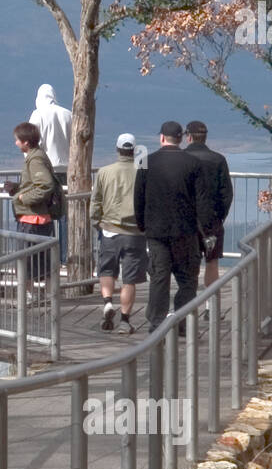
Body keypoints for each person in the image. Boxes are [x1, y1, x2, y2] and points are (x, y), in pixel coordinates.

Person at [133, 120, 210, 334]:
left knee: (159, 275)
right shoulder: (193, 163)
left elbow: (138, 197)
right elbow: (202, 201)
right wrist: (205, 229)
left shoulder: (146, 162)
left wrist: (142, 224)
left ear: (161, 138)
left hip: (156, 231)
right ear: (182, 138)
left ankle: (157, 322)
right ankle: (183, 322)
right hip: (185, 231)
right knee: (186, 278)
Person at [90, 133, 149, 334]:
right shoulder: (142, 172)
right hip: (135, 233)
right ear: (134, 150)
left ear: (117, 149)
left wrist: (96, 221)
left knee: (107, 270)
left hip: (109, 230)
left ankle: (107, 302)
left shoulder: (104, 172)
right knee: (130, 278)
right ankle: (125, 321)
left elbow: (96, 200)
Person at [2, 122, 60, 290]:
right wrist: (18, 187)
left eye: (17, 140)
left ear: (26, 142)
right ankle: (49, 296)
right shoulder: (38, 156)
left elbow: (45, 184)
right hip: (41, 218)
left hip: (32, 219)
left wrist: (23, 197)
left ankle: (28, 295)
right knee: (45, 263)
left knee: (26, 262)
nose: (16, 143)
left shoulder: (35, 159)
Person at [184, 120, 233, 294]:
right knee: (212, 262)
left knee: (189, 264)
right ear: (205, 137)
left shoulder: (181, 159)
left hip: (186, 221)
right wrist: (220, 216)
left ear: (188, 137)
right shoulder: (218, 159)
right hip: (212, 220)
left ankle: (189, 305)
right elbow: (226, 193)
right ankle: (210, 307)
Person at [29, 84, 73, 266]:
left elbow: (31, 143)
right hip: (66, 170)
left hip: (43, 170)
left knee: (43, 214)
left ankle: (47, 257)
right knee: (63, 213)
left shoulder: (37, 115)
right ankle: (64, 255)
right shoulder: (68, 114)